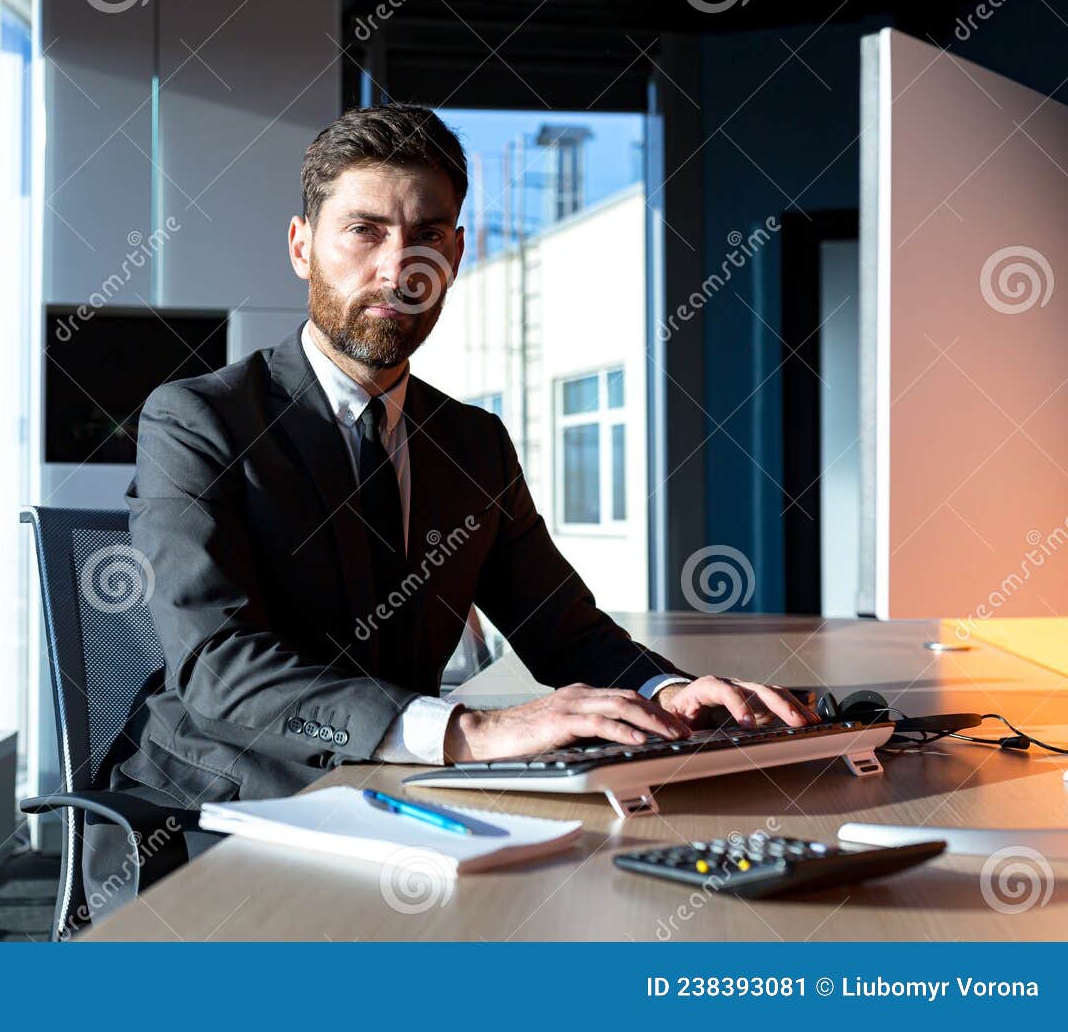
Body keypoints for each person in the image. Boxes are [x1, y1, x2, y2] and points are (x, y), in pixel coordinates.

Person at [99, 102, 814, 836]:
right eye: (364, 230)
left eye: (427, 236)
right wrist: (470, 732)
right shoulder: (198, 420)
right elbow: (221, 664)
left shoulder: (473, 443)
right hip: (215, 810)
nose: (398, 267)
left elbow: (562, 629)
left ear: (456, 255)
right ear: (302, 246)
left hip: (400, 800)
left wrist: (668, 690)